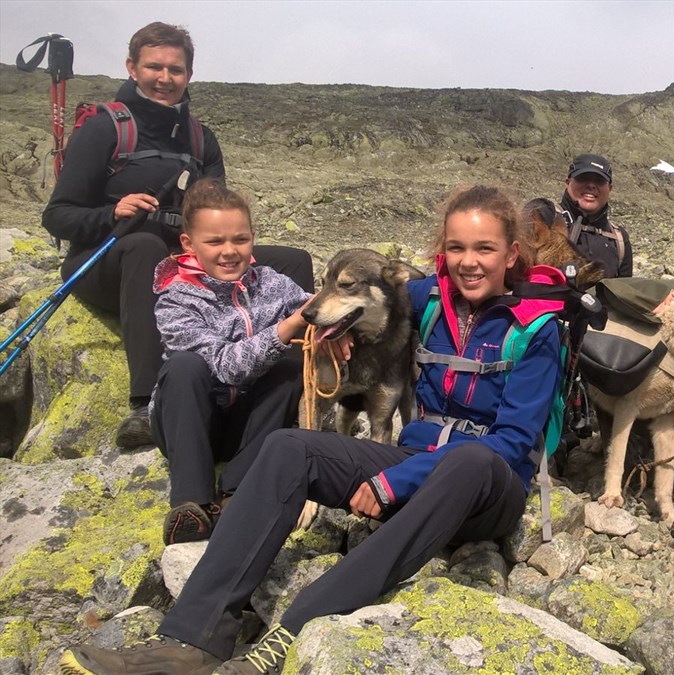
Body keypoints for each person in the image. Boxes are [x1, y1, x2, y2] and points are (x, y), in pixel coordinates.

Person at [59, 185, 566, 675]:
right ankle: (189, 638)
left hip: (486, 487)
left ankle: (288, 636)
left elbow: (512, 443)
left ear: (510, 253)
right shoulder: (430, 297)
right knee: (288, 447)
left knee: (472, 458)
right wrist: (327, 330)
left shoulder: (536, 328)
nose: (468, 262)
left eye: (484, 249)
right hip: (414, 463)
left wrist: (396, 482)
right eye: (456, 248)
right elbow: (347, 295)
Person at [41, 22, 314, 451]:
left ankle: (298, 379)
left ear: (189, 74)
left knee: (293, 259)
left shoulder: (201, 139)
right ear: (132, 67)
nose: (165, 78)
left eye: (176, 69)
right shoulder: (104, 128)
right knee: (146, 247)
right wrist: (112, 213)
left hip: (181, 262)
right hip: (106, 261)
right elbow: (58, 217)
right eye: (155, 67)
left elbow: (215, 217)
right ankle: (146, 403)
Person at [151, 178, 323, 546]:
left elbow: (316, 308)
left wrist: (333, 332)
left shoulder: (272, 283)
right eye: (215, 242)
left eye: (240, 240)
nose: (229, 251)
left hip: (245, 429)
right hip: (189, 427)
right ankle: (191, 504)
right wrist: (287, 327)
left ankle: (237, 492)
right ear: (189, 244)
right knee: (184, 367)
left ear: (252, 238)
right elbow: (224, 366)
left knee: (292, 368)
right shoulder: (176, 299)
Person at [559, 153, 632, 279]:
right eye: (583, 178)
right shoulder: (544, 218)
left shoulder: (619, 240)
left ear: (610, 188)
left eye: (599, 181)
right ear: (568, 182)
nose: (591, 185)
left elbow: (623, 288)